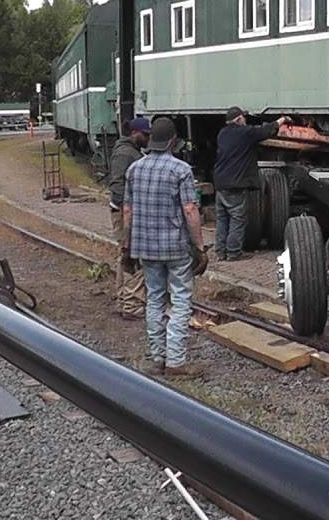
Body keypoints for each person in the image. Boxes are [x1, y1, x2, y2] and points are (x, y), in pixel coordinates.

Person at [121, 117, 209, 378]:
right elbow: (190, 210)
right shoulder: (180, 170)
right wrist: (200, 247)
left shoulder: (134, 170)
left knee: (154, 300)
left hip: (146, 248)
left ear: (151, 139)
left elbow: (127, 211)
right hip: (176, 248)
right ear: (173, 140)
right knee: (181, 301)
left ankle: (158, 357)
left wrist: (126, 247)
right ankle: (176, 362)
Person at [212, 107, 290, 261]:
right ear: (239, 120)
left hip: (220, 183)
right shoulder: (244, 133)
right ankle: (233, 252)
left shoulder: (222, 134)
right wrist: (282, 120)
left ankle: (221, 252)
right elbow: (265, 131)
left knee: (222, 219)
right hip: (235, 183)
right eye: (244, 118)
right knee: (237, 218)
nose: (246, 121)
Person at [108, 117, 150, 246]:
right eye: (146, 134)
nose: (149, 138)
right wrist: (128, 209)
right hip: (124, 214)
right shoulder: (124, 154)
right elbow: (117, 184)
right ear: (134, 133)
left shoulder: (133, 151)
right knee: (126, 254)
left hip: (129, 211)